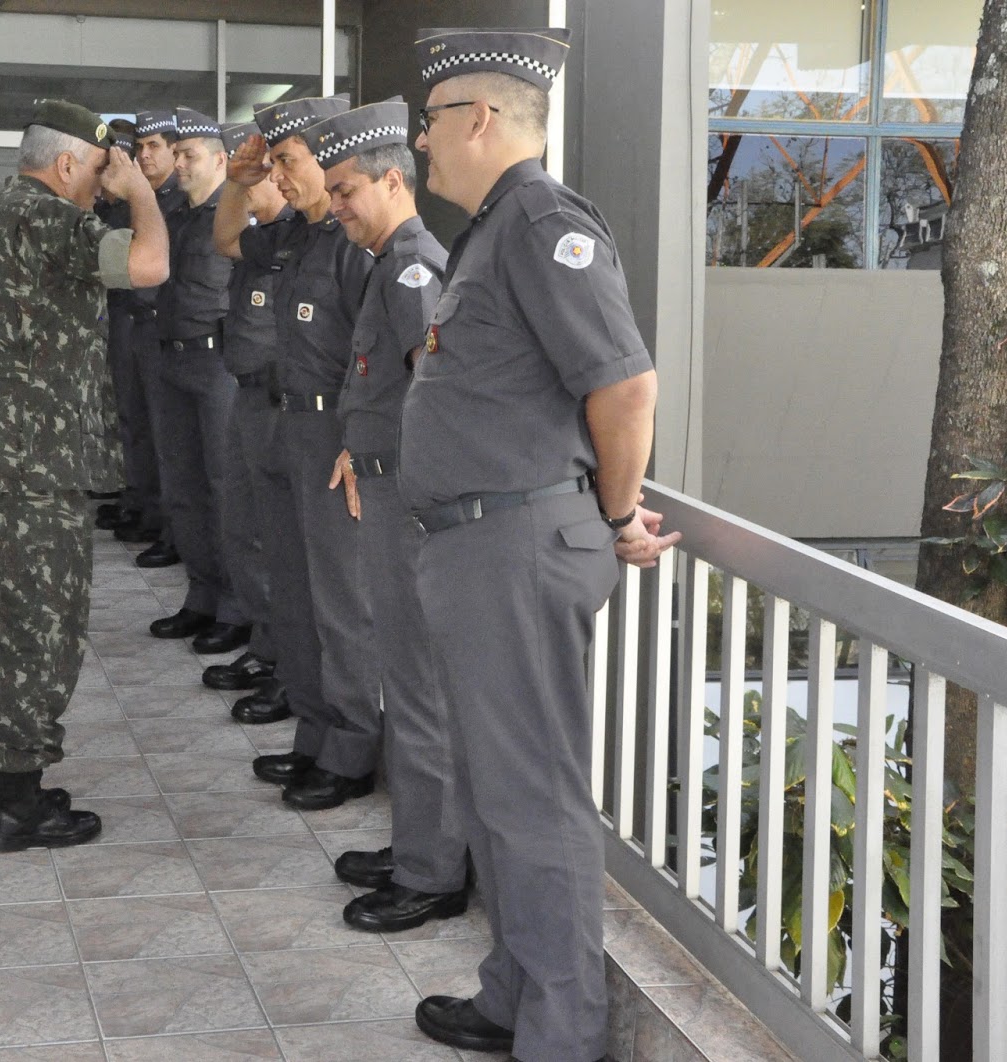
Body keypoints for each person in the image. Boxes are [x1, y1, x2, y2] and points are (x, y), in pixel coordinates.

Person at [400, 29, 680, 1060]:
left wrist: (616, 515)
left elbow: (623, 382)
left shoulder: (542, 221)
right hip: (478, 543)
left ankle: (561, 1033)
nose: (421, 147)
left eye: (430, 123)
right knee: (493, 787)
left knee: (533, 795)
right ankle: (514, 993)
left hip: (513, 540)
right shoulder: (491, 229)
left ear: (479, 118)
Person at [0, 99, 170, 852]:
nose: (104, 184)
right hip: (36, 467)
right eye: (100, 168)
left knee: (3, 623)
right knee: (44, 630)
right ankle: (17, 806)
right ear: (67, 163)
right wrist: (142, 192)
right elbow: (150, 265)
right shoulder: (52, 222)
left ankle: (8, 784)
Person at [300, 97, 470, 933]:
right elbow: (387, 388)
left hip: (410, 501)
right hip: (383, 481)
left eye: (345, 192)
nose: (336, 208)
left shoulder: (412, 270)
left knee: (416, 686)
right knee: (402, 680)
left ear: (392, 181)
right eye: (330, 194)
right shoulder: (385, 263)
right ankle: (416, 845)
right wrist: (355, 446)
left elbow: (438, 395)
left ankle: (432, 871)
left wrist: (391, 467)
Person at [216, 94, 382, 811]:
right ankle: (313, 735)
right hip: (283, 424)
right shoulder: (293, 237)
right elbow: (226, 240)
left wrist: (357, 443)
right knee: (293, 590)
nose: (278, 177)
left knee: (341, 604)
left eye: (288, 161)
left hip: (332, 439)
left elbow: (384, 362)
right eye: (274, 161)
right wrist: (237, 180)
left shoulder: (356, 245)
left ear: (329, 159)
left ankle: (351, 752)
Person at [145, 107, 250, 654]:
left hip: (216, 366)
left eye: (188, 155)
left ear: (220, 160)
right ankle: (201, 595)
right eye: (178, 154)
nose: (179, 164)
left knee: (223, 488)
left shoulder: (235, 220)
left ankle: (236, 607)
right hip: (170, 360)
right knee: (182, 487)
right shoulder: (173, 216)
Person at [201, 120, 293, 708]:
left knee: (283, 543)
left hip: (292, 407)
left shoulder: (321, 237)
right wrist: (235, 185)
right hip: (250, 396)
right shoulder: (273, 236)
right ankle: (267, 642)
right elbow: (226, 237)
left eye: (271, 169)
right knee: (244, 530)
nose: (264, 178)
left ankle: (290, 662)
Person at [113, 109, 188, 569]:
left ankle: (171, 527)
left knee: (171, 440)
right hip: (142, 323)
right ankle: (149, 511)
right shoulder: (148, 201)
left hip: (170, 330)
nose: (144, 155)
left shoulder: (179, 203)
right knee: (139, 422)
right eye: (139, 147)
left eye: (153, 146)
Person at [94, 119, 147, 535]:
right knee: (120, 416)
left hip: (134, 316)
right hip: (114, 316)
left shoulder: (138, 206)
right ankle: (129, 494)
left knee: (137, 417)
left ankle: (142, 504)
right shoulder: (108, 207)